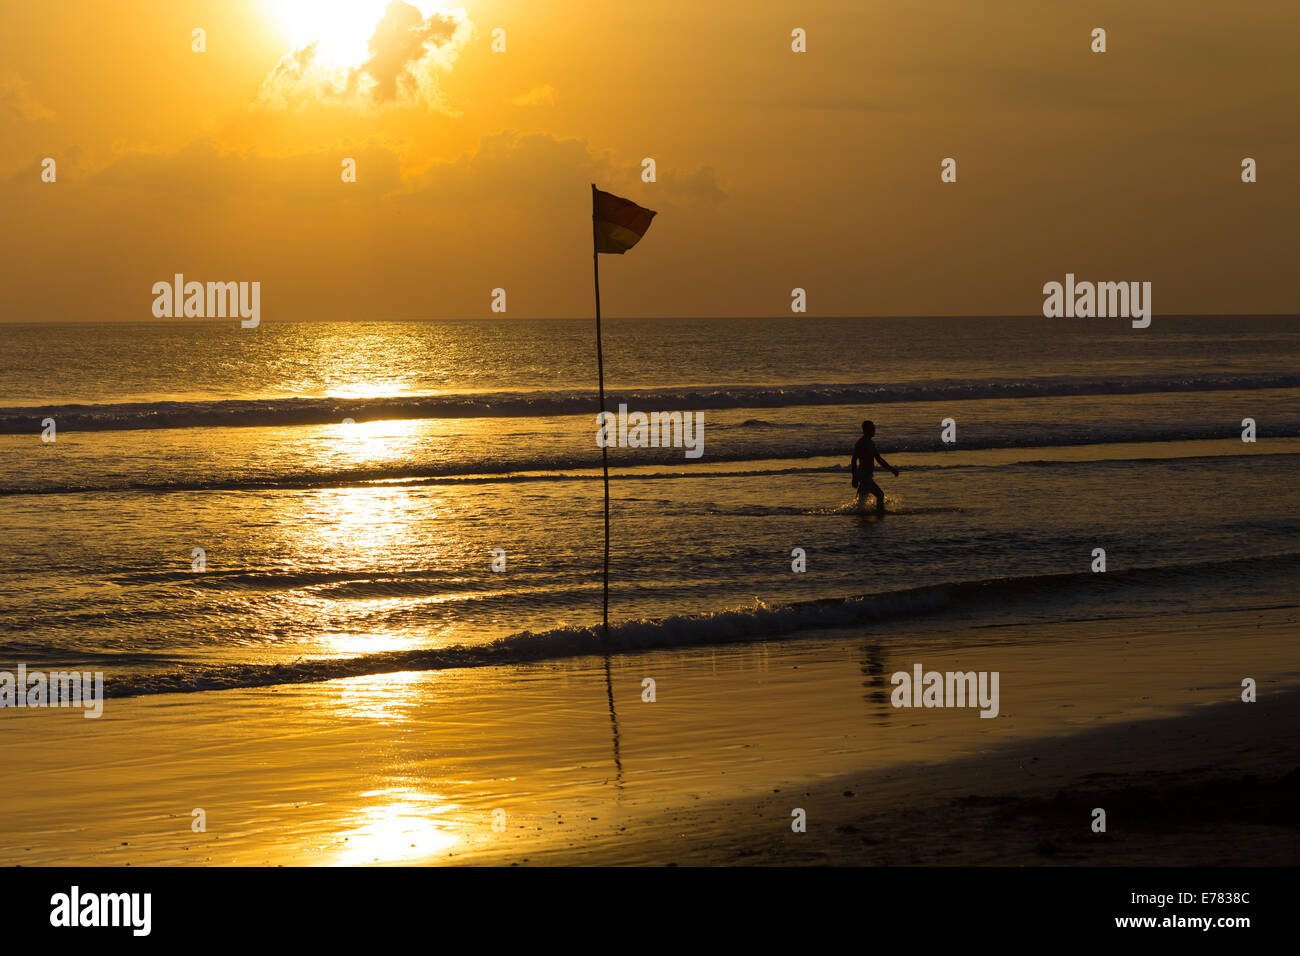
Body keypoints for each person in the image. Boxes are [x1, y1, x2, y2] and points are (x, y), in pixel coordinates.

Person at [851, 420, 898, 514]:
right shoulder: (861, 443)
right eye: (872, 428)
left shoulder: (871, 443)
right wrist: (854, 477)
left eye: (874, 428)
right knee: (880, 495)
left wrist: (891, 469)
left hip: (867, 476)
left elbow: (879, 459)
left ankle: (858, 515)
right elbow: (853, 460)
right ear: (865, 430)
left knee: (861, 500)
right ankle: (880, 513)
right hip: (864, 476)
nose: (874, 430)